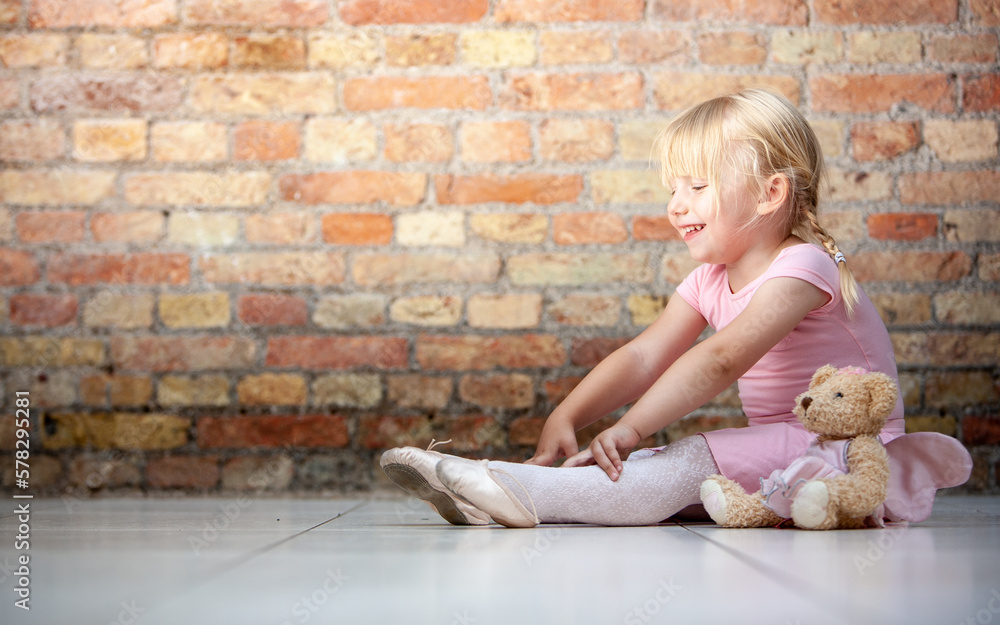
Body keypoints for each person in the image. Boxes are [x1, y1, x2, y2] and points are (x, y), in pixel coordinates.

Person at [379, 88, 955, 529]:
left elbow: (722, 359)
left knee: (685, 461)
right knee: (665, 471)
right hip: (786, 446)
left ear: (769, 193)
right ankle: (505, 495)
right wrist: (569, 415)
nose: (677, 206)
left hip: (847, 453)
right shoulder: (710, 278)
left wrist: (629, 427)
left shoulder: (804, 267)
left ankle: (510, 488)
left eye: (696, 187)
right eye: (672, 189)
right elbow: (644, 356)